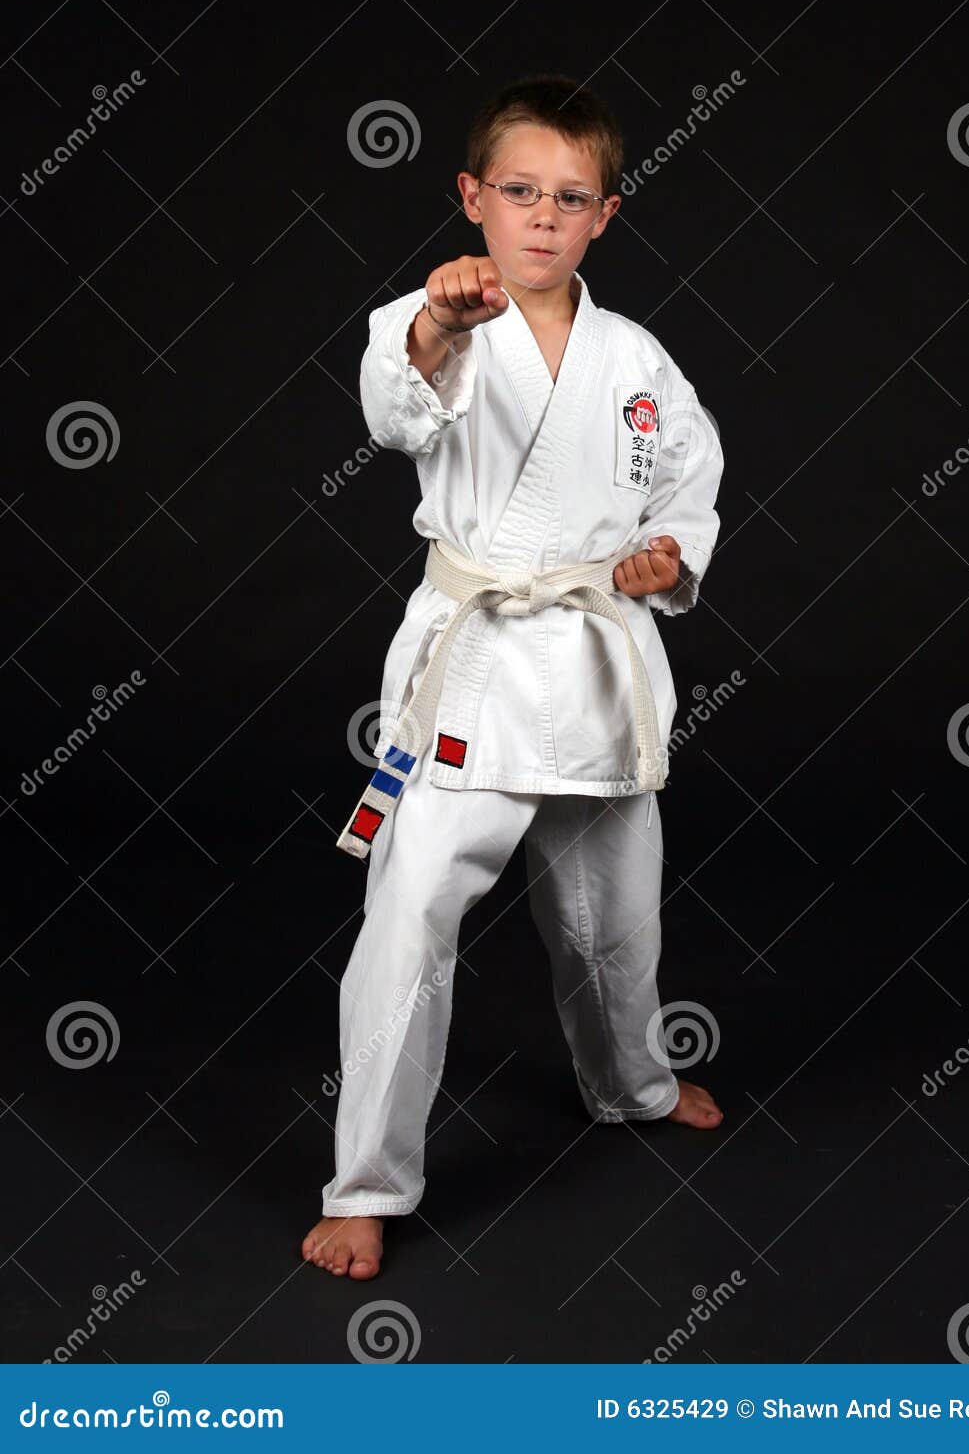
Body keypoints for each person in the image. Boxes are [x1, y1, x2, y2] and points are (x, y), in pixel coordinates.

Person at [302, 74, 726, 1281]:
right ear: (472, 199)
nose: (541, 217)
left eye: (569, 197)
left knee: (615, 922)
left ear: (605, 214)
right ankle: (367, 1182)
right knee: (408, 918)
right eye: (519, 192)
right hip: (477, 670)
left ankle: (632, 1084)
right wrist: (438, 324)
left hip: (594, 662)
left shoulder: (634, 358)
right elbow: (398, 407)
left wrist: (665, 557)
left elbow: (687, 481)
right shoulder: (432, 319)